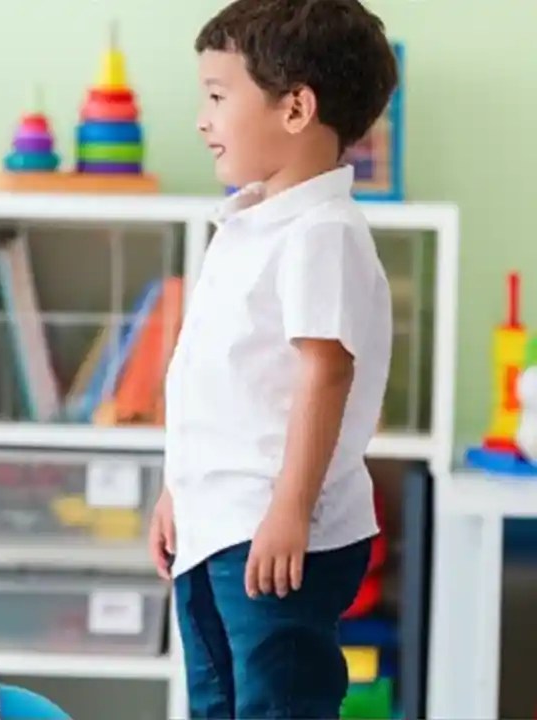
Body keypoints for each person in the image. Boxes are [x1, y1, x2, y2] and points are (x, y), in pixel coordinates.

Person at [151, 0, 398, 717]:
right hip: (217, 519)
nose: (203, 118)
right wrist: (180, 492)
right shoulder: (250, 226)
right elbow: (224, 385)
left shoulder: (322, 232)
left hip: (273, 528)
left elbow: (326, 372)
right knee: (219, 699)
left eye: (218, 96)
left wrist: (289, 511)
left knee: (277, 700)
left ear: (296, 108)